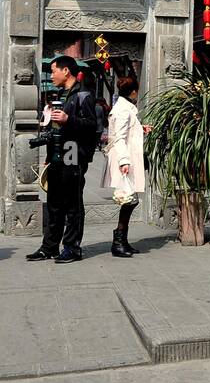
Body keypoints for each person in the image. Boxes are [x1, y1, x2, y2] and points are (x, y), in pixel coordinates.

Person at [27, 56, 99, 263]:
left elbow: (91, 126)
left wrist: (69, 119)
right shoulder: (61, 94)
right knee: (54, 203)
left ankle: (72, 248)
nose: (52, 75)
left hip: (73, 152)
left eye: (54, 70)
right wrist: (49, 156)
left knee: (72, 204)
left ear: (66, 70)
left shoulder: (83, 95)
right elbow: (56, 129)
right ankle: (49, 247)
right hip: (58, 154)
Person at [104, 77, 148, 257]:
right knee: (129, 200)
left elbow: (125, 131)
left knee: (130, 200)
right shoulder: (123, 110)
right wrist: (124, 161)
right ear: (133, 92)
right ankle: (118, 241)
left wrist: (140, 128)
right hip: (125, 159)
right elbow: (119, 137)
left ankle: (122, 240)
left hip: (127, 158)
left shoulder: (125, 108)